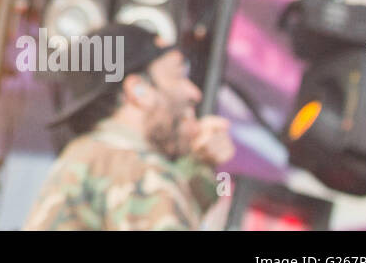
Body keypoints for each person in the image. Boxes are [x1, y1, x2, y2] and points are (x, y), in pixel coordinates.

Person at [23, 24, 235, 230]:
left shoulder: (86, 158)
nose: (194, 93)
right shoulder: (139, 171)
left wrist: (198, 164)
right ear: (139, 90)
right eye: (179, 75)